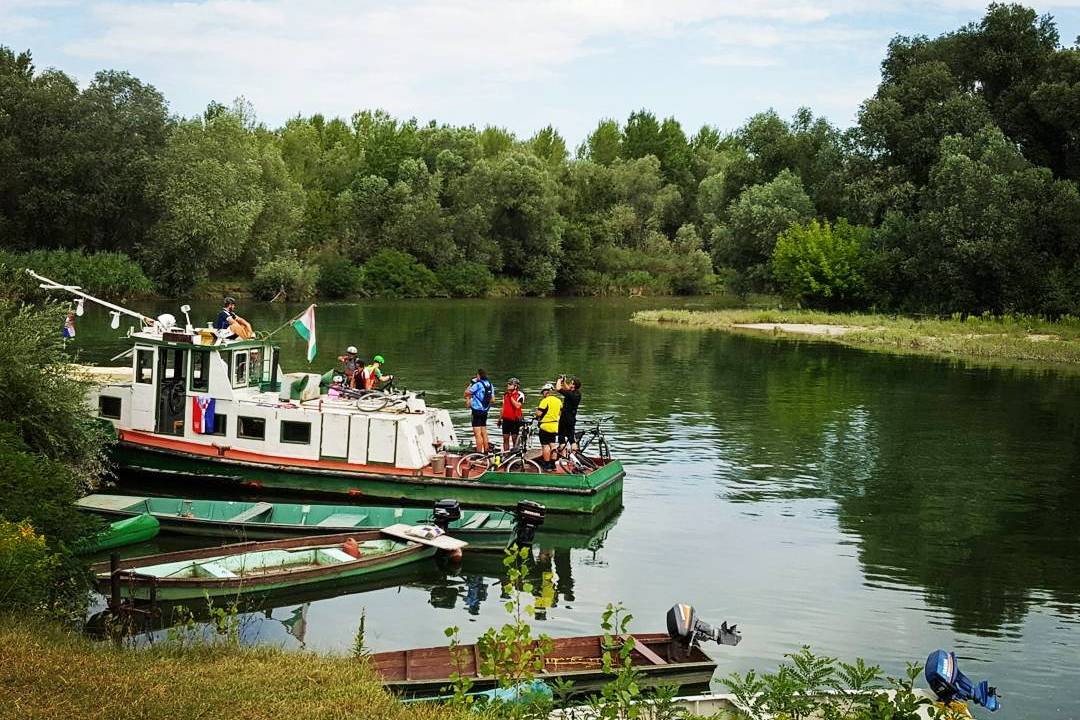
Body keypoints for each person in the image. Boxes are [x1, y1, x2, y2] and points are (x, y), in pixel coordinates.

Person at [534, 382, 563, 471]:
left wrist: (536, 414)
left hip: (545, 426)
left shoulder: (545, 400)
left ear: (546, 392)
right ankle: (553, 465)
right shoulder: (558, 401)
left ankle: (546, 465)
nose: (543, 394)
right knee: (553, 445)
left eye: (543, 392)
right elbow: (561, 413)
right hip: (555, 426)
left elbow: (539, 413)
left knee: (545, 446)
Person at [464, 369, 494, 453]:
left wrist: (471, 384)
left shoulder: (477, 384)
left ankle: (478, 453)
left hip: (476, 411)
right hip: (485, 411)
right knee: (484, 432)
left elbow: (466, 393)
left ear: (479, 376)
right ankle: (486, 452)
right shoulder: (490, 385)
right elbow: (493, 399)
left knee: (477, 434)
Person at [496, 377, 525, 451]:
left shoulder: (520, 394)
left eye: (510, 384)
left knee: (514, 439)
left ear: (516, 386)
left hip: (515, 420)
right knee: (505, 439)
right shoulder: (505, 394)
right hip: (506, 419)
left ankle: (516, 455)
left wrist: (511, 396)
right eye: (508, 384)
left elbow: (517, 406)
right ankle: (506, 454)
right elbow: (503, 407)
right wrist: (499, 419)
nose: (508, 385)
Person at [556, 375, 582, 453]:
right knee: (571, 438)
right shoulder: (577, 394)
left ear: (574, 385)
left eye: (571, 383)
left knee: (561, 437)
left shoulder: (570, 394)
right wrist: (564, 382)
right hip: (572, 418)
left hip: (565, 418)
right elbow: (568, 388)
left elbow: (558, 388)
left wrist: (559, 380)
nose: (569, 384)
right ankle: (575, 455)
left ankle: (563, 456)